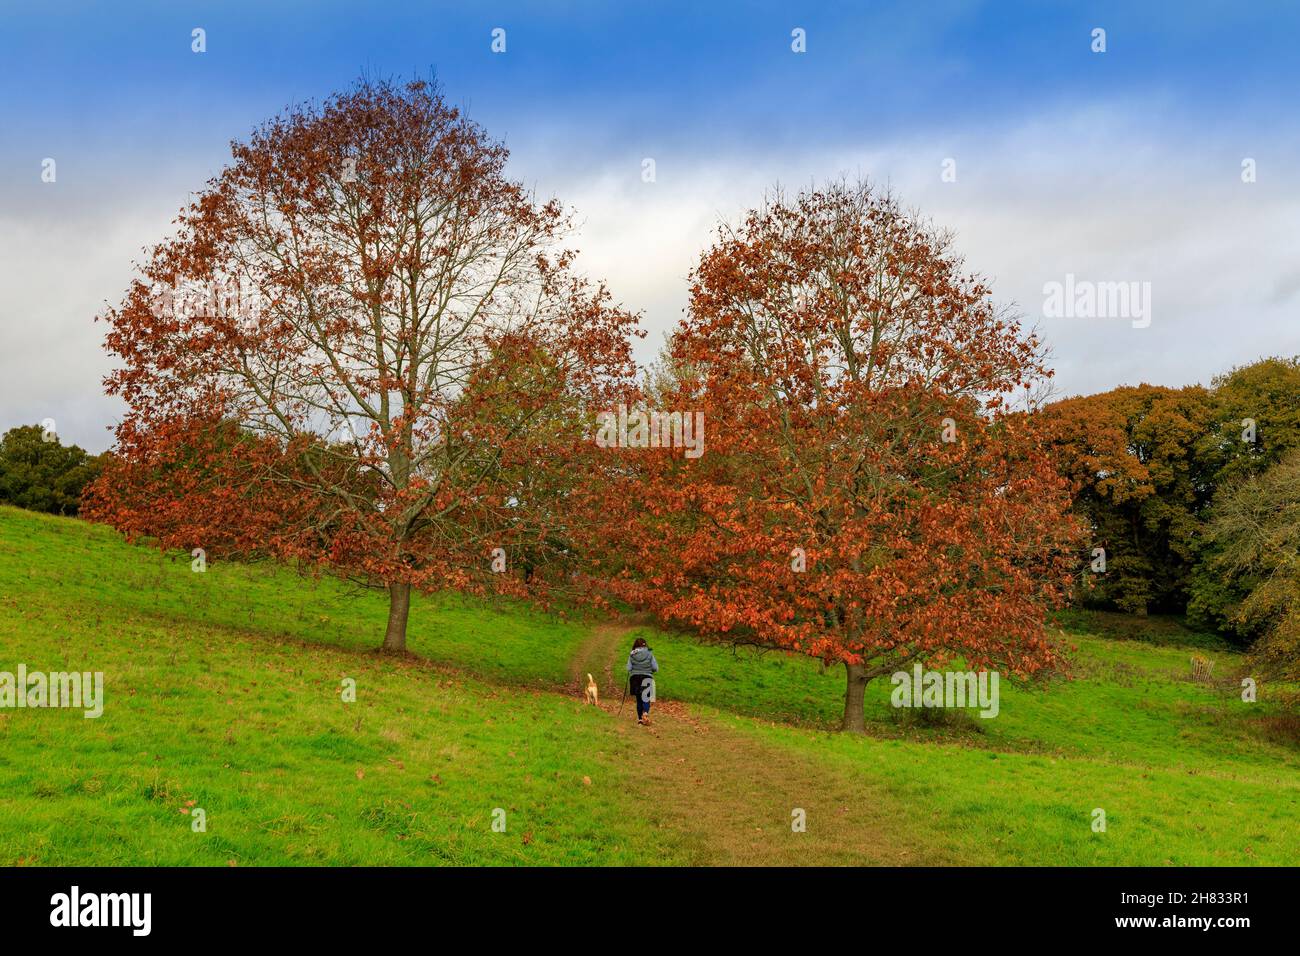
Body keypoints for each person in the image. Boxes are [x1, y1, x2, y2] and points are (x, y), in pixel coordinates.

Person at [626, 637, 658, 725]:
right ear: (645, 644)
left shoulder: (632, 654)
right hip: (647, 677)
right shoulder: (650, 653)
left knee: (639, 699)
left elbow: (628, 668)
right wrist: (650, 670)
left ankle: (640, 719)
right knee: (646, 698)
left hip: (635, 678)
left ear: (635, 645)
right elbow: (655, 668)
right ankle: (645, 713)